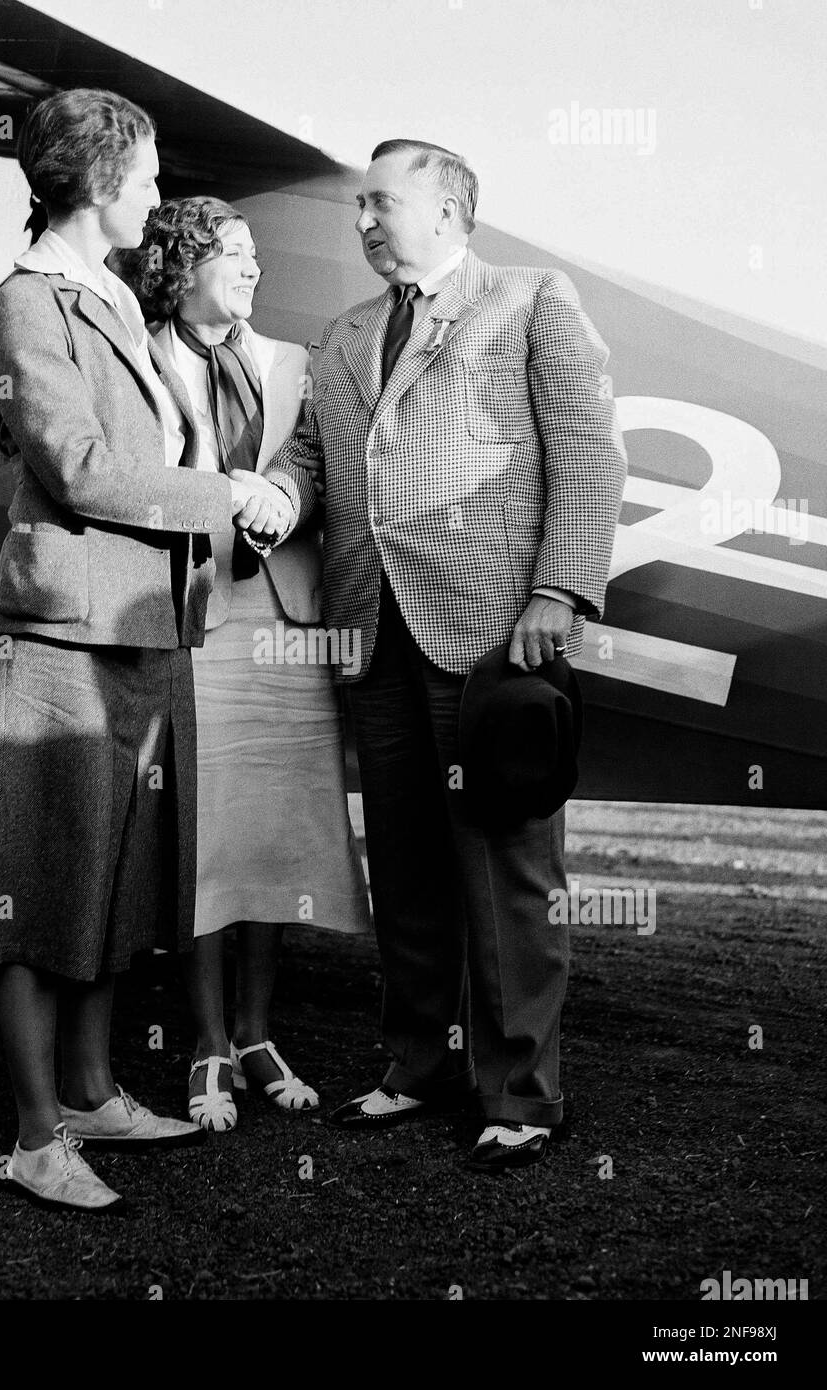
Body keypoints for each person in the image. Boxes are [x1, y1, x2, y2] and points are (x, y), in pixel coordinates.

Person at [248, 138, 627, 1172]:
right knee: (408, 868)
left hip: (498, 636)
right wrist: (278, 493)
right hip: (372, 632)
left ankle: (521, 1094)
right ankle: (419, 1066)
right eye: (357, 206)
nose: (361, 220)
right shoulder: (345, 333)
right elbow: (313, 453)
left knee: (506, 873)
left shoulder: (529, 299)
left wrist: (557, 590)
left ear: (449, 210)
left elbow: (590, 449)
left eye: (380, 202)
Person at [0, 88, 280, 1210]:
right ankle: (37, 1136)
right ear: (92, 181)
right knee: (36, 885)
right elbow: (79, 469)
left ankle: (89, 1090)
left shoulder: (112, 303)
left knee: (115, 879)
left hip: (140, 629)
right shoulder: (27, 307)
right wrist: (225, 492)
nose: (155, 193)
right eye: (142, 176)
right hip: (62, 636)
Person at [119, 196, 370, 1131]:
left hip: (289, 624)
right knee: (207, 839)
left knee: (277, 839)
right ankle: (207, 1041)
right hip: (198, 621)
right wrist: (224, 492)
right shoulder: (140, 357)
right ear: (180, 268)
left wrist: (283, 503)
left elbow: (326, 476)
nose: (255, 268)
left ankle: (260, 1036)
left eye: (257, 252)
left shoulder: (298, 366)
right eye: (234, 253)